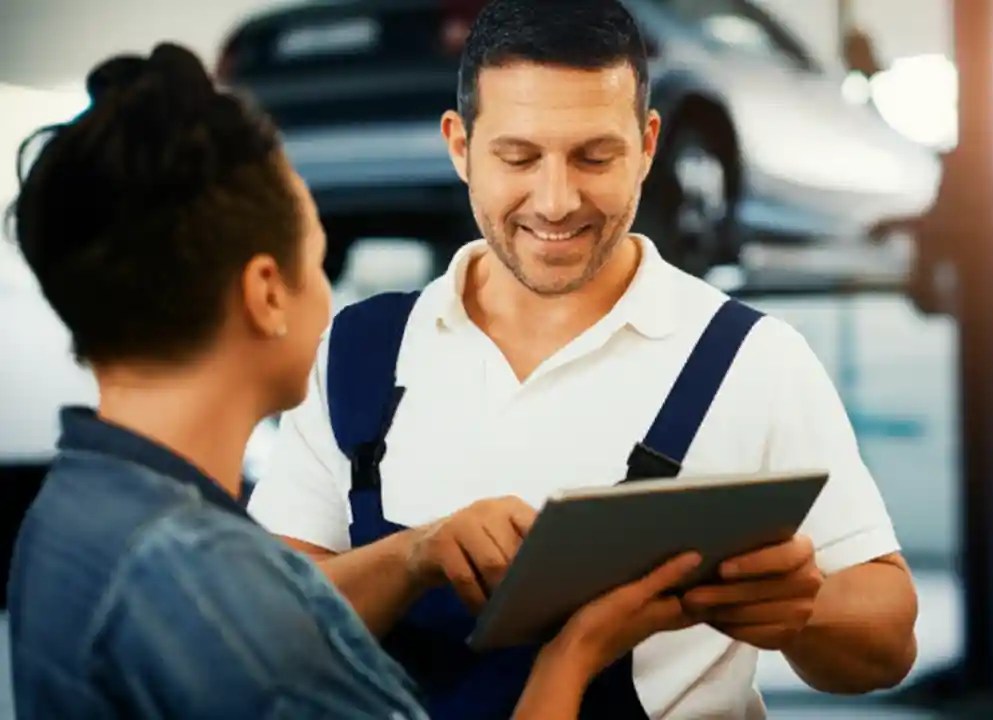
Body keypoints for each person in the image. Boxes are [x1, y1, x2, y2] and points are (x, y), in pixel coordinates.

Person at [247, 0, 920, 718]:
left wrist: (804, 606)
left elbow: (888, 640)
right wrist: (417, 556)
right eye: (519, 157)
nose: (557, 200)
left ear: (648, 144)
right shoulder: (362, 352)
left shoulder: (751, 360)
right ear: (459, 146)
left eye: (594, 157)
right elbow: (258, 635)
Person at [5, 42, 707, 719]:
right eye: (317, 257)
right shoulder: (208, 586)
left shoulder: (71, 510)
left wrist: (419, 554)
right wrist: (577, 653)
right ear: (267, 294)